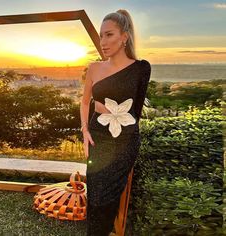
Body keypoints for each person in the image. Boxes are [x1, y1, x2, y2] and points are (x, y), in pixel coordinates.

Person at [80, 9, 151, 236]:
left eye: (109, 35)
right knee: (96, 194)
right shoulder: (94, 68)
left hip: (125, 140)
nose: (103, 41)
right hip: (98, 136)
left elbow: (136, 111)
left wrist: (106, 108)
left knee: (109, 197)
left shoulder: (141, 69)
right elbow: (84, 103)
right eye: (101, 36)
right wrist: (84, 132)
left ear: (124, 37)